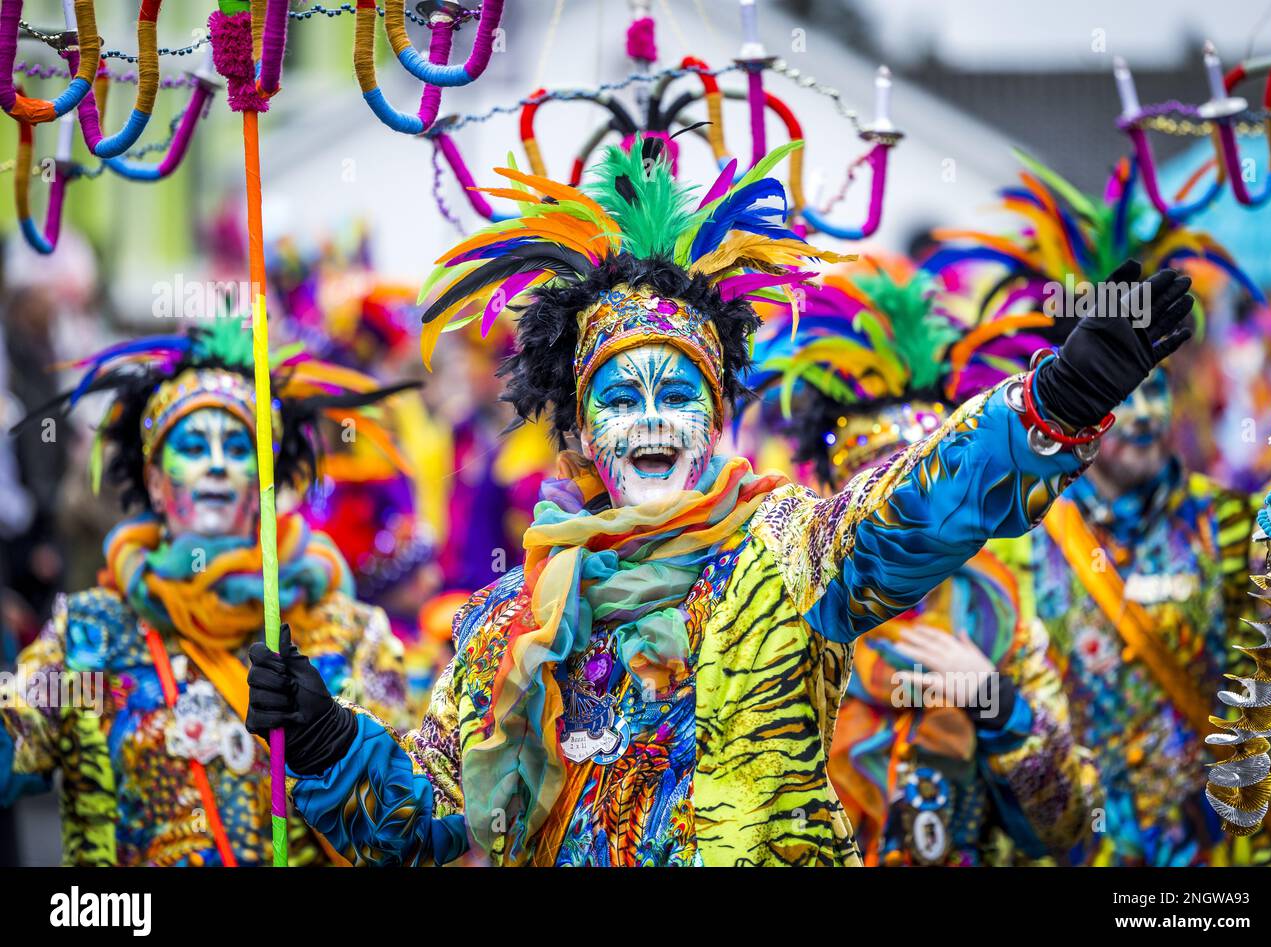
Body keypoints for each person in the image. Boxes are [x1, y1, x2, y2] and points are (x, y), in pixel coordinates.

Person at [245, 138, 1196, 867]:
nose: (652, 420)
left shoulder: (788, 554)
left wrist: (1058, 400)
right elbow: (431, 829)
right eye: (620, 398)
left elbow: (912, 510)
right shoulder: (508, 625)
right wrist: (332, 743)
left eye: (677, 395)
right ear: (579, 432)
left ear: (716, 422)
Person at [927, 156, 1271, 865]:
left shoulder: (1234, 526)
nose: (1143, 414)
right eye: (1126, 390)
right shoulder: (1016, 534)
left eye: (1158, 388)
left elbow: (1267, 696)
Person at [0, 317, 413, 866]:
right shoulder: (87, 634)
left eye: (238, 447)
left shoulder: (350, 631)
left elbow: (406, 832)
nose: (217, 463)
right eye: (194, 446)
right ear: (154, 481)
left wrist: (332, 740)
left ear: (263, 477)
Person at [745, 257, 1098, 865]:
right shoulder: (776, 612)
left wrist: (998, 705)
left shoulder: (996, 615)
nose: (912, 519)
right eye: (883, 500)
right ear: (835, 506)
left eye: (928, 488)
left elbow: (1068, 830)